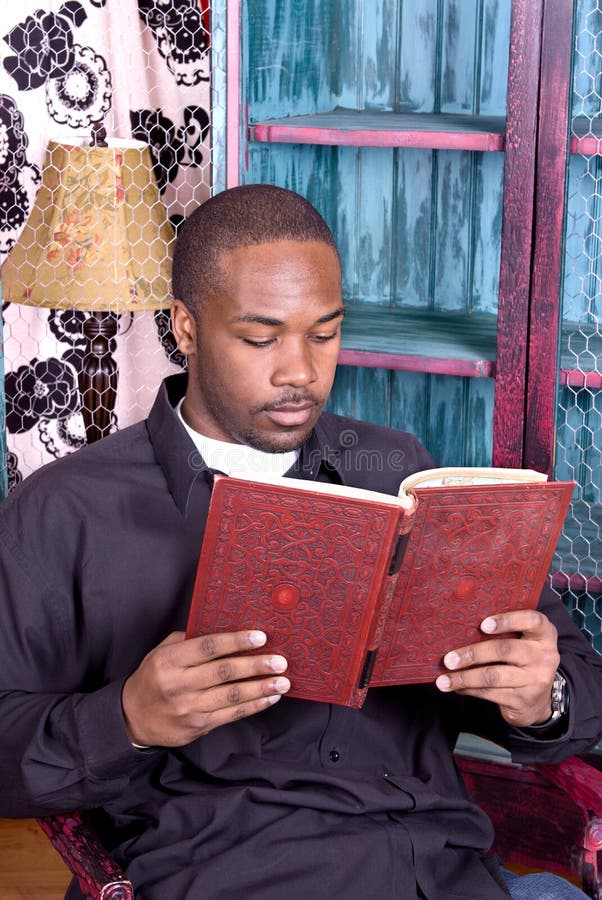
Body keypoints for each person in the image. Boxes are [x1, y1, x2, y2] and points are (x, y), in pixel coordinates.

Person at [0, 185, 600, 900]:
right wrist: (128, 717)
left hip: (445, 874)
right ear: (186, 328)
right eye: (260, 339)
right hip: (229, 877)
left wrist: (541, 695)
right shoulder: (68, 510)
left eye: (325, 334)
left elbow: (577, 684)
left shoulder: (400, 471)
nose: (300, 373)